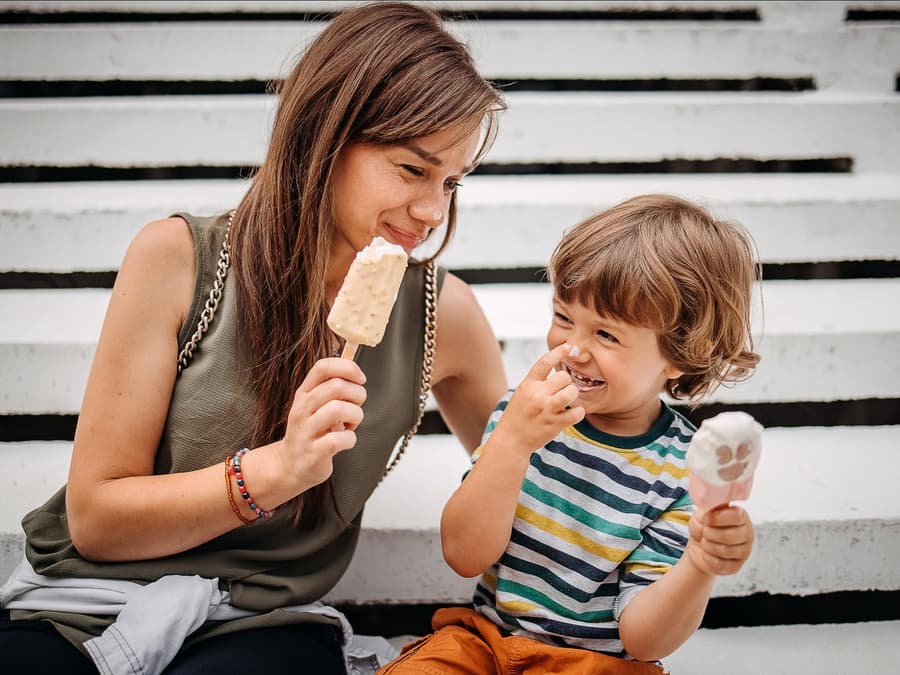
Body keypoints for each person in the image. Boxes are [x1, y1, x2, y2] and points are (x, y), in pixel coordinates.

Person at [0, 3, 507, 674]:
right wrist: (275, 471)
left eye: (451, 180)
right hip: (84, 603)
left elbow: (534, 498)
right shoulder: (179, 260)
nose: (432, 210)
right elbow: (95, 518)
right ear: (323, 135)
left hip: (268, 622)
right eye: (413, 170)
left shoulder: (445, 315)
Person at [380, 194, 761, 674]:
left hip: (594, 664)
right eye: (563, 317)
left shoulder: (683, 474)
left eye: (607, 335)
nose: (573, 349)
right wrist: (513, 441)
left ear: (680, 355)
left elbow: (643, 640)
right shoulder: (527, 413)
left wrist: (699, 566)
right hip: (487, 643)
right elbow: (463, 553)